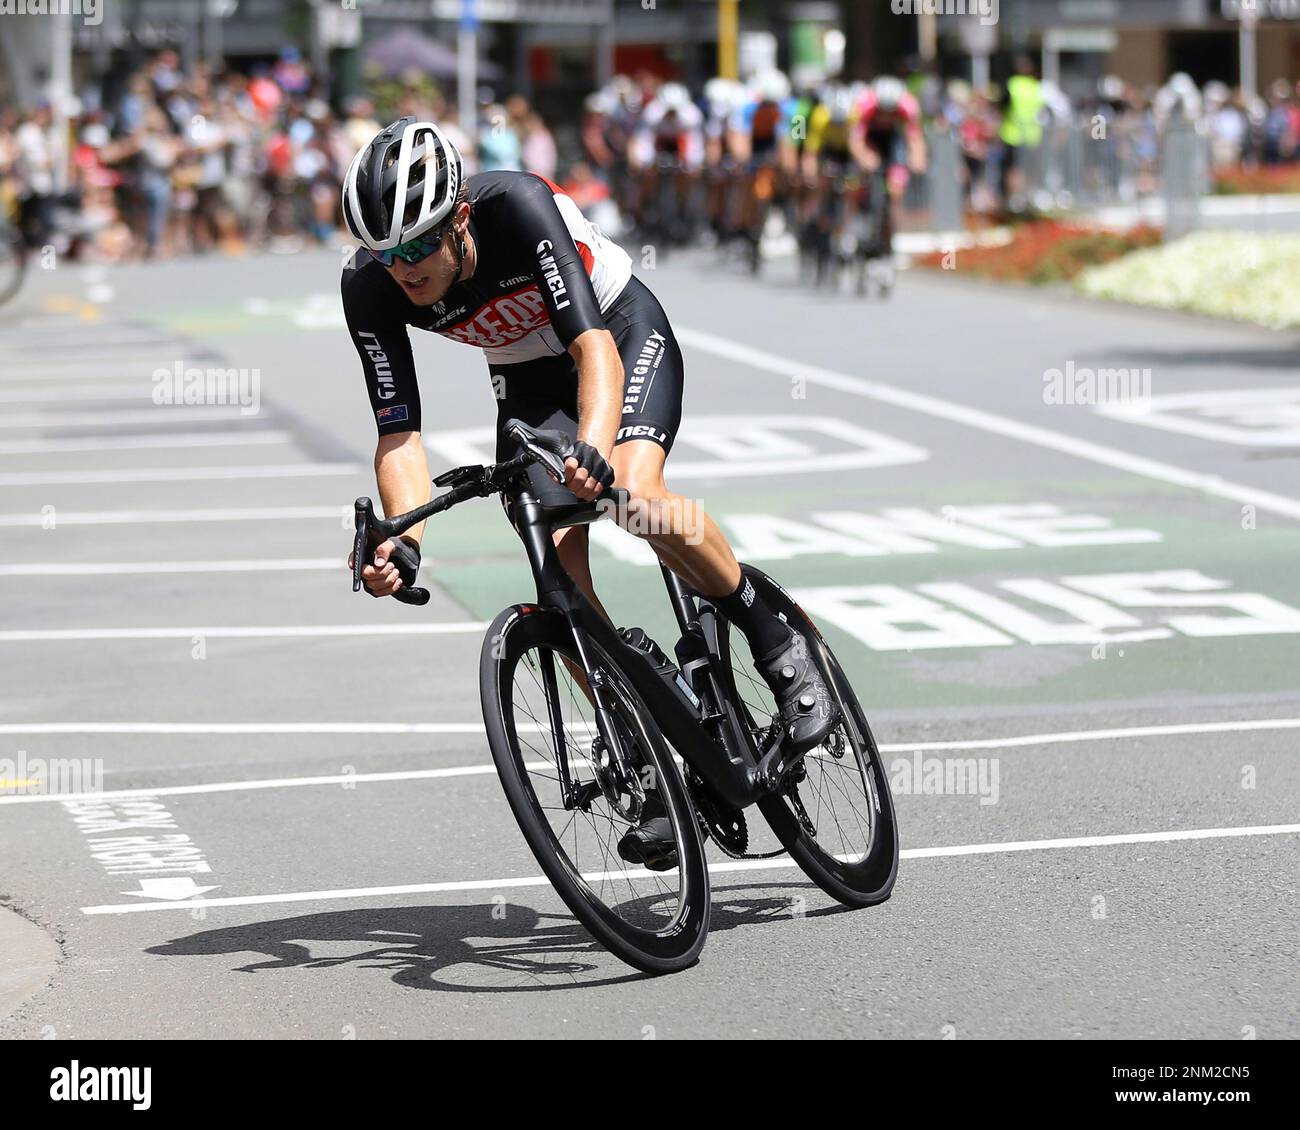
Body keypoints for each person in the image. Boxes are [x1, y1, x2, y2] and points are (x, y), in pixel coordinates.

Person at [339, 119, 839, 868]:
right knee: (557, 579)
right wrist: (404, 539)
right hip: (527, 382)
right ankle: (645, 752)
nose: (401, 268)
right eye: (384, 252)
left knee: (632, 492)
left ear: (460, 218)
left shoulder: (519, 207)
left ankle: (773, 632)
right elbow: (399, 436)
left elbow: (592, 348)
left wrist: (595, 455)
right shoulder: (370, 288)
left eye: (416, 247)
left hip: (616, 331)